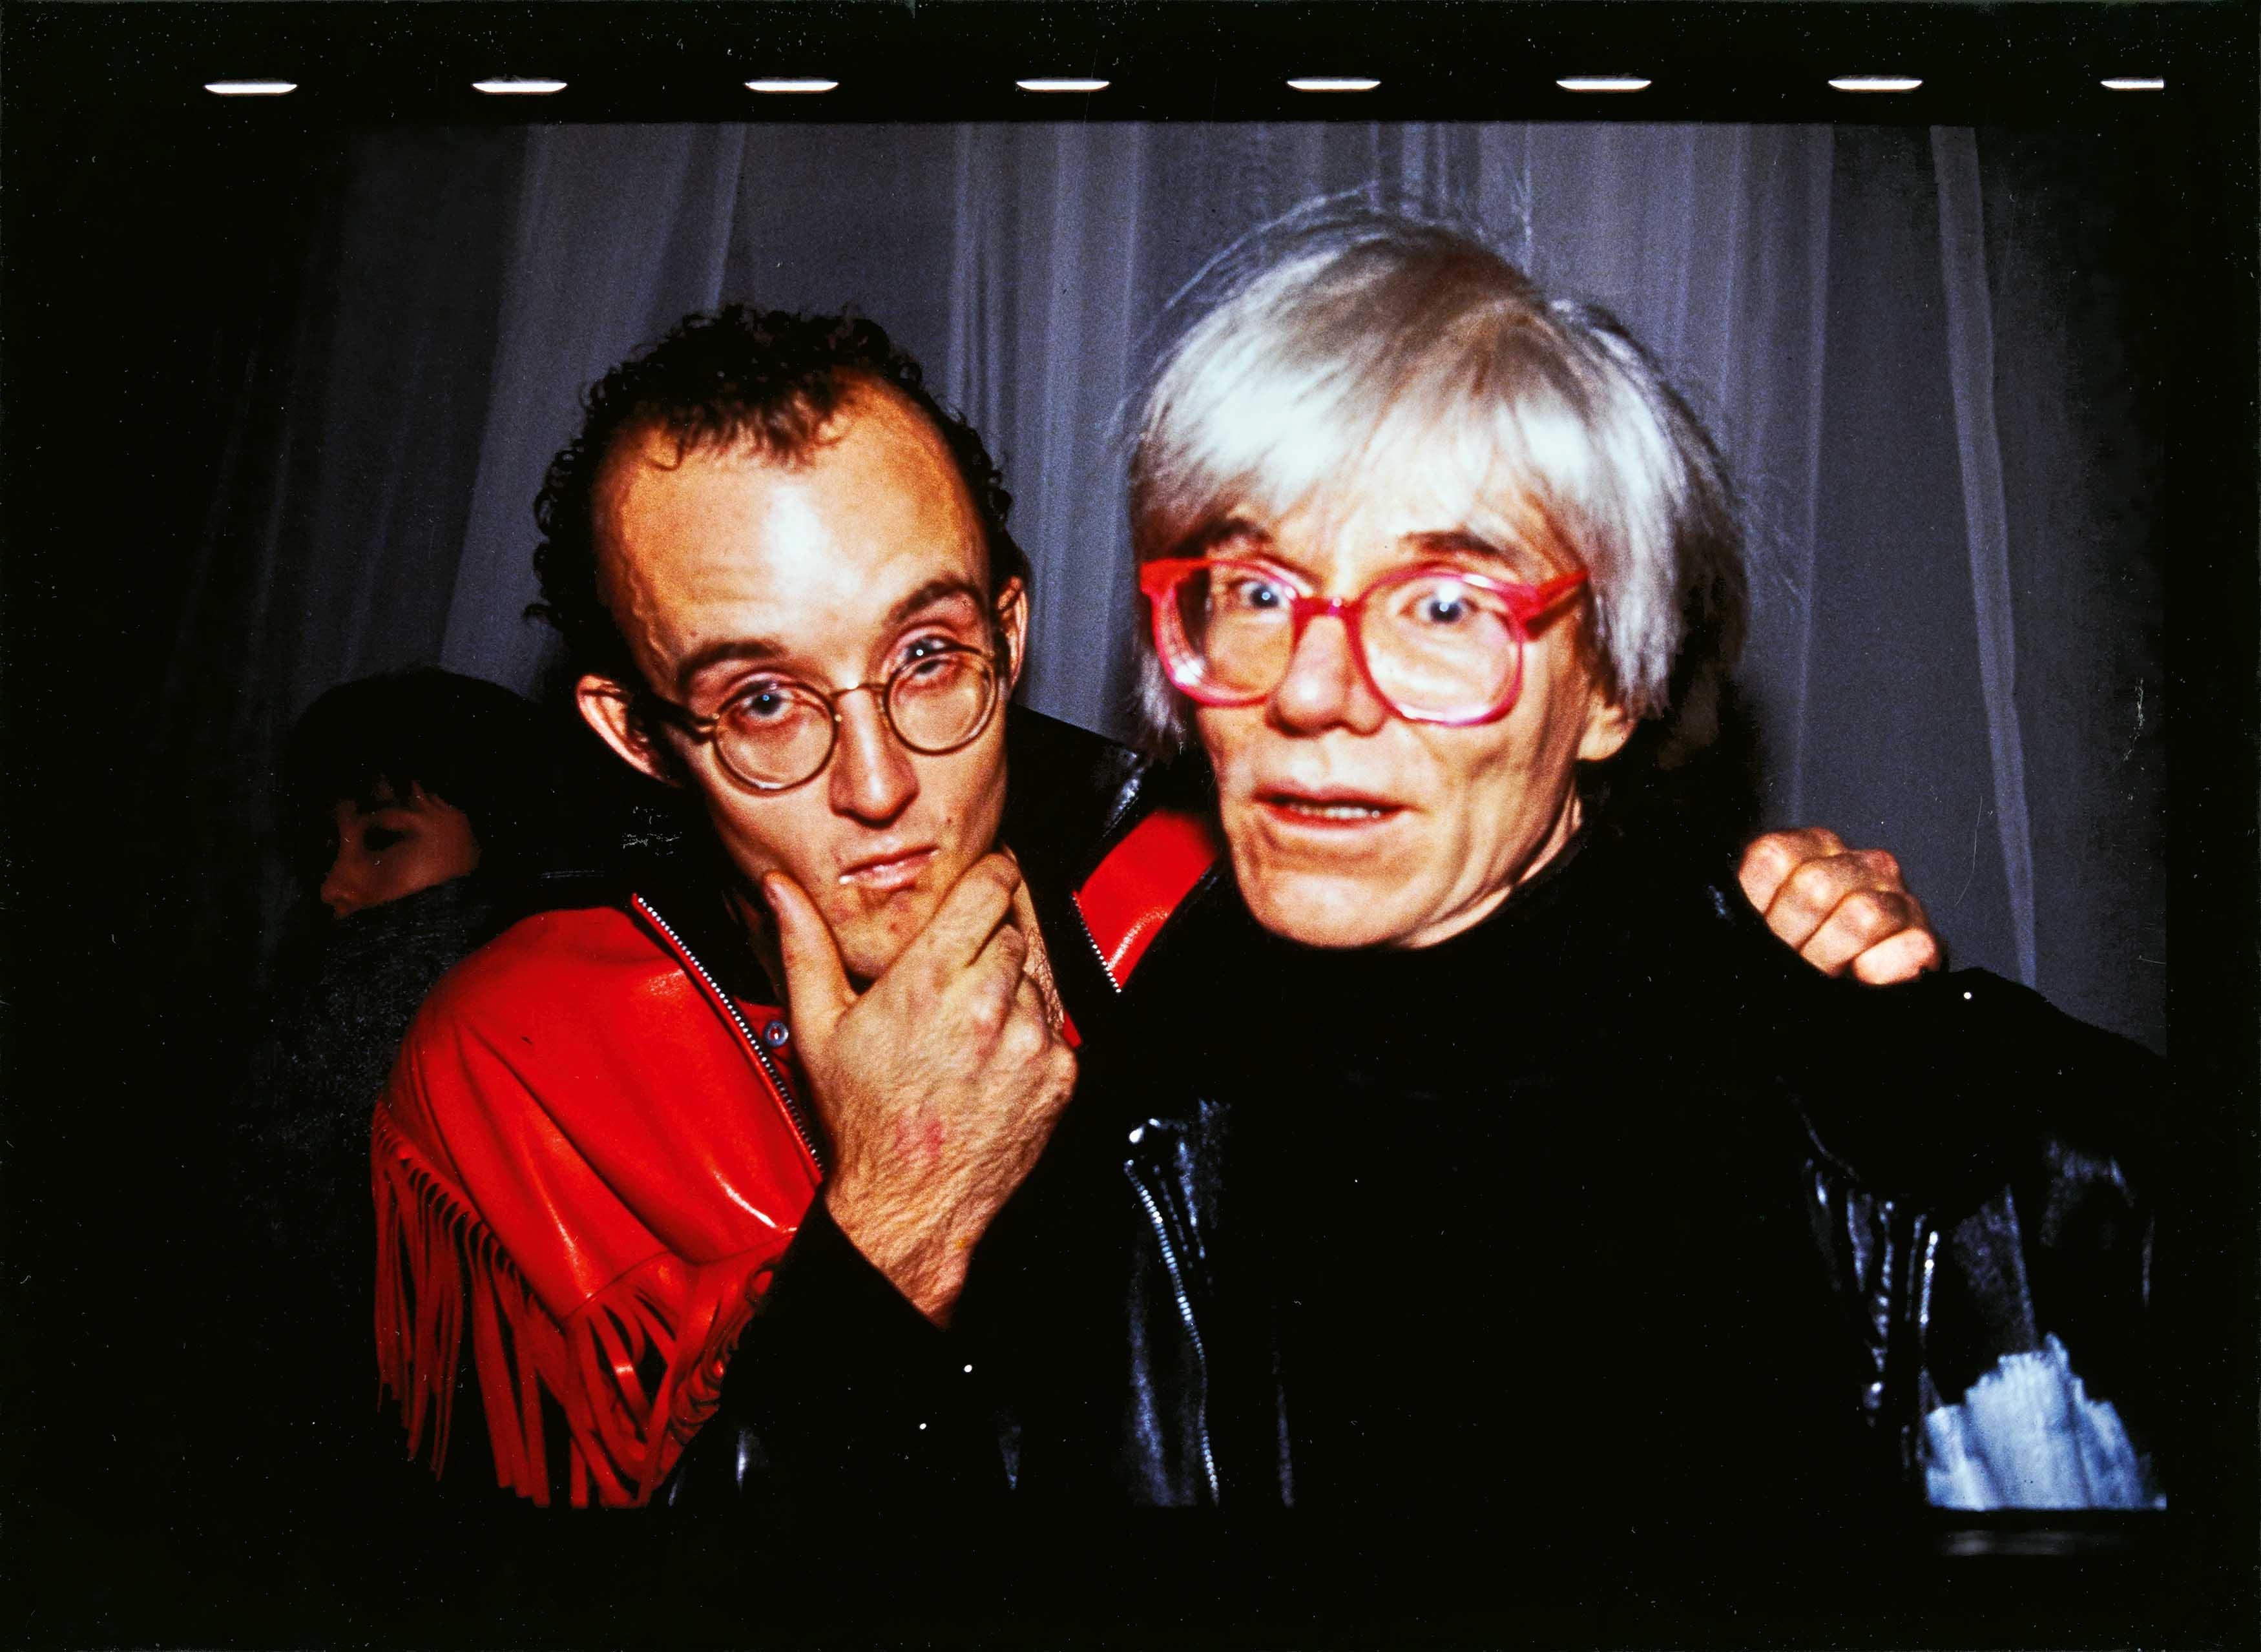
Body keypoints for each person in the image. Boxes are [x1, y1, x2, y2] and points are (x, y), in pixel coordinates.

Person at [671, 212, 2167, 1527]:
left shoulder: (1933, 1131)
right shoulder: (1119, 1147)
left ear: (1613, 687)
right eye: (1256, 588)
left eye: (1446, 603)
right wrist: (878, 1269)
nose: (1315, 689)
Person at [371, 305, 1943, 1507]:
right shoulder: (515, 1073)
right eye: (763, 697)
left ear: (1011, 625)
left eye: (927, 658)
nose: (875, 783)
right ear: (634, 729)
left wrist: (1738, 936)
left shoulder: (1231, 897)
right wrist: (892, 1234)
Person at [233, 668, 552, 1487]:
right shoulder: (334, 995)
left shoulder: (438, 1007)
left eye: (382, 838)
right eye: (326, 846)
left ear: (506, 838)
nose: (334, 885)